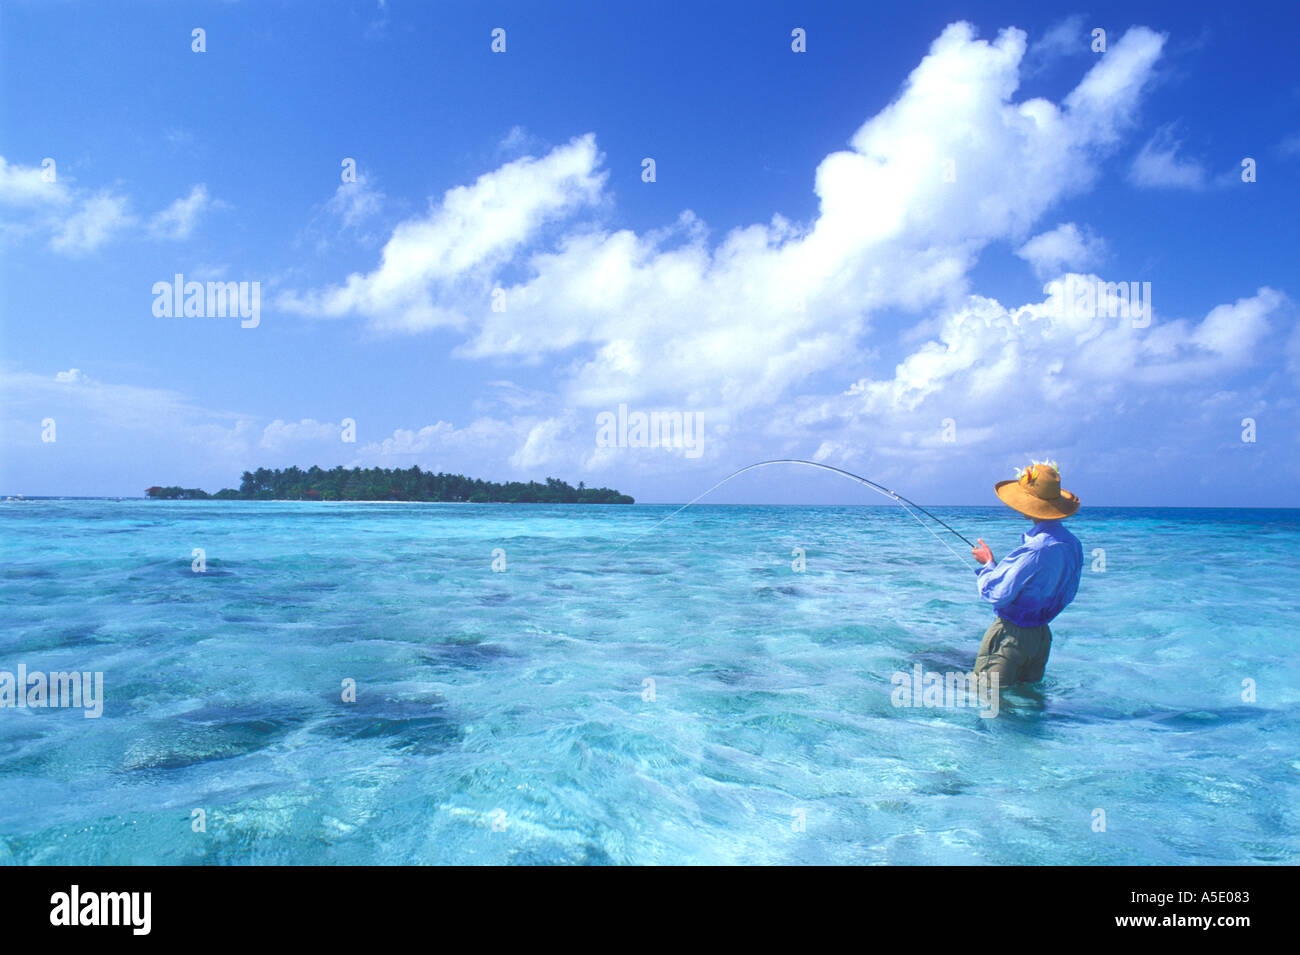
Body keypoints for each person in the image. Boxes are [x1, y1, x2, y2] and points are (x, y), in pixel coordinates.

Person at [969, 461, 1082, 685]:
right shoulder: (1073, 545)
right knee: (1030, 705)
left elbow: (995, 593)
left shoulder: (1034, 549)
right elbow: (1068, 594)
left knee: (988, 700)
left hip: (1010, 637)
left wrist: (988, 565)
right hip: (1041, 638)